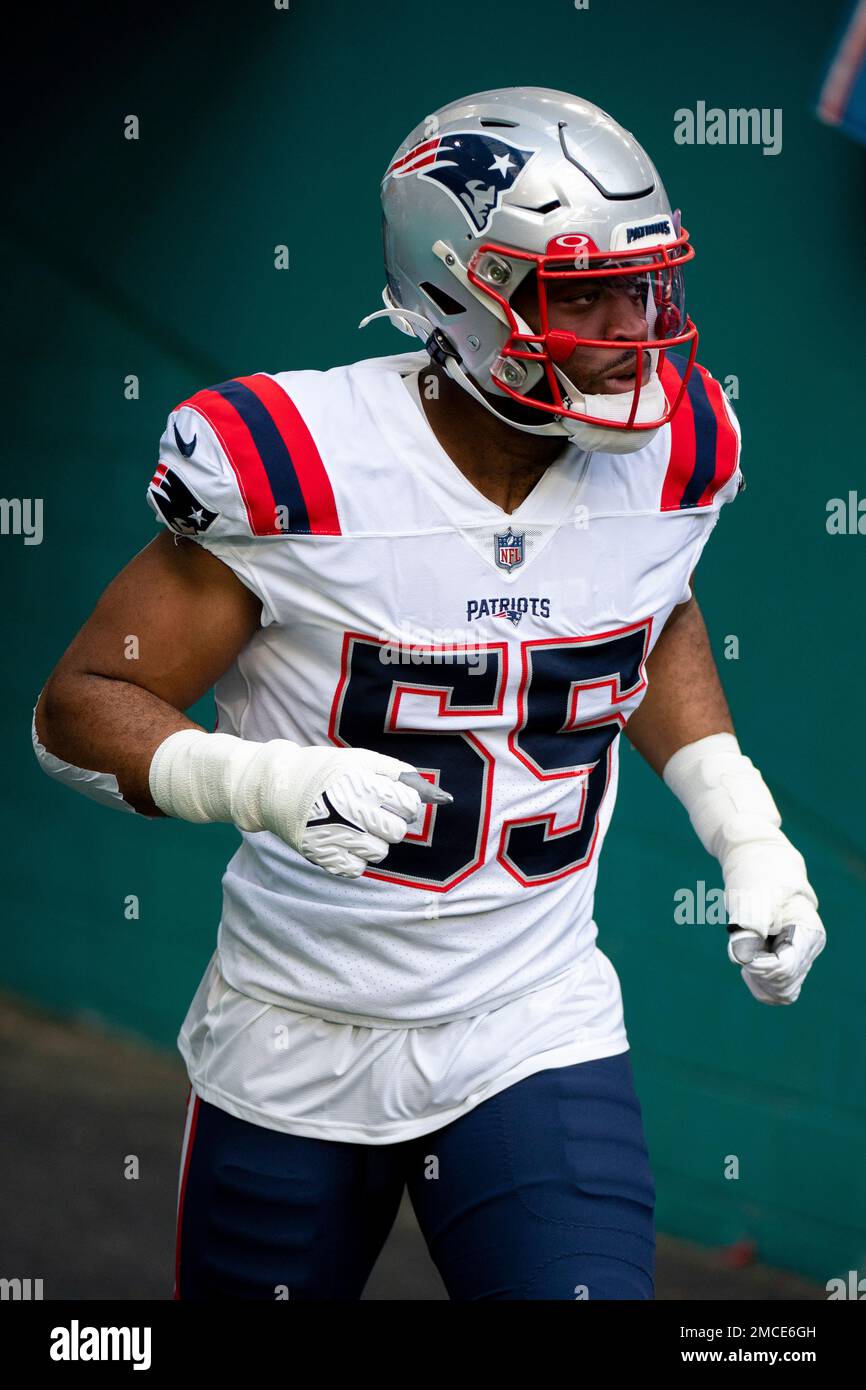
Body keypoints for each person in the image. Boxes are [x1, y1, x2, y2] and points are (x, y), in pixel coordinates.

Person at [33, 87, 825, 1301]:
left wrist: (743, 824)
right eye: (585, 295)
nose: (634, 329)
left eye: (646, 285)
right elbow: (78, 705)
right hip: (294, 1030)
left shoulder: (676, 450)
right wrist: (262, 779)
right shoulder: (296, 465)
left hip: (531, 1021)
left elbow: (646, 605)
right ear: (459, 293)